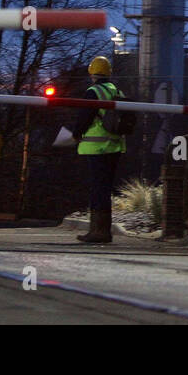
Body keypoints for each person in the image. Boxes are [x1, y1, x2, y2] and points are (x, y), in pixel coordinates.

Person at [68, 55, 126, 244]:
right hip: (115, 147)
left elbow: (84, 118)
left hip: (96, 148)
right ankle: (102, 230)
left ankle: (98, 231)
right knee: (105, 188)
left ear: (92, 73)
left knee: (97, 188)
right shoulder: (117, 91)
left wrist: (75, 134)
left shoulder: (93, 92)